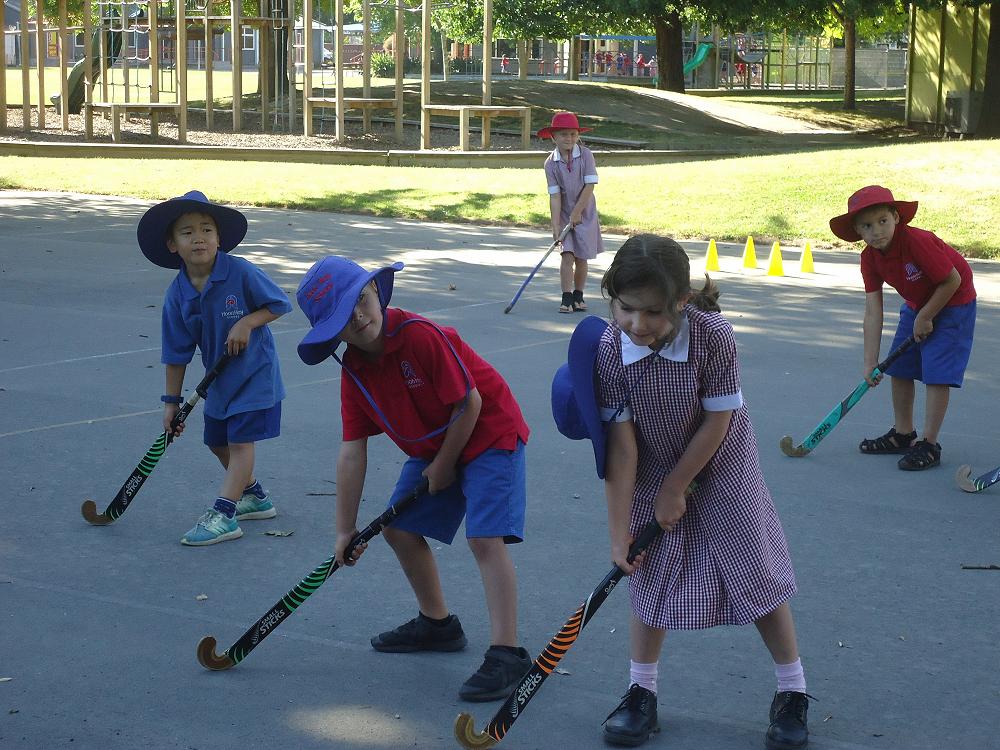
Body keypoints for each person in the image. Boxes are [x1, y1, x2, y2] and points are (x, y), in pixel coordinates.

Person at [551, 235, 810, 749]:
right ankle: (639, 691)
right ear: (611, 298)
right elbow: (621, 449)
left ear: (682, 303)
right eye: (626, 309)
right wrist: (619, 533)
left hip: (722, 460)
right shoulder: (608, 349)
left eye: (653, 313)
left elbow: (719, 418)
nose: (637, 324)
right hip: (651, 459)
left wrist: (677, 485)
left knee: (750, 565)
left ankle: (792, 690)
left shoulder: (712, 336)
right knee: (649, 572)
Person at [295, 256, 532, 702]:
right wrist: (345, 529)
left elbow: (470, 404)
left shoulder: (418, 335)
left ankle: (508, 652)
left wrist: (444, 466)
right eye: (342, 318)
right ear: (332, 333)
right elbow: (352, 450)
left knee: (485, 539)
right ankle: (437, 624)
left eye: (361, 301)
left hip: (489, 434)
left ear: (377, 294)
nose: (359, 317)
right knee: (399, 529)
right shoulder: (355, 373)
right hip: (435, 447)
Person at [137, 190, 292, 545]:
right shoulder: (177, 294)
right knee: (215, 441)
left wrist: (248, 322)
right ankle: (253, 495)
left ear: (219, 238)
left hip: (255, 376)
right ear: (173, 244)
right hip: (218, 380)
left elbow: (280, 304)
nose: (199, 238)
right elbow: (176, 353)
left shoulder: (240, 272)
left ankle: (224, 513)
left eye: (207, 229)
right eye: (187, 232)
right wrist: (170, 403)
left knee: (239, 443)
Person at [830, 185, 976, 470]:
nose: (876, 231)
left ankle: (929, 444)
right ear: (858, 231)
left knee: (936, 373)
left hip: (954, 301)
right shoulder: (869, 258)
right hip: (916, 305)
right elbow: (873, 310)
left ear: (896, 217)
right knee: (900, 367)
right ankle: (903, 433)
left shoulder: (916, 241)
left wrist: (927, 315)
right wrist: (869, 363)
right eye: (867, 226)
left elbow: (953, 280)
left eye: (882, 221)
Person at [538, 111, 604, 314]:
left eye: (573, 134)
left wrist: (577, 212)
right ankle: (566, 296)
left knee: (581, 257)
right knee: (567, 255)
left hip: (585, 212)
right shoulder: (550, 163)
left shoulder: (586, 155)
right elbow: (555, 196)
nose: (569, 139)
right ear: (553, 137)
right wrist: (556, 225)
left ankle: (578, 294)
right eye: (564, 134)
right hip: (565, 213)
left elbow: (589, 186)